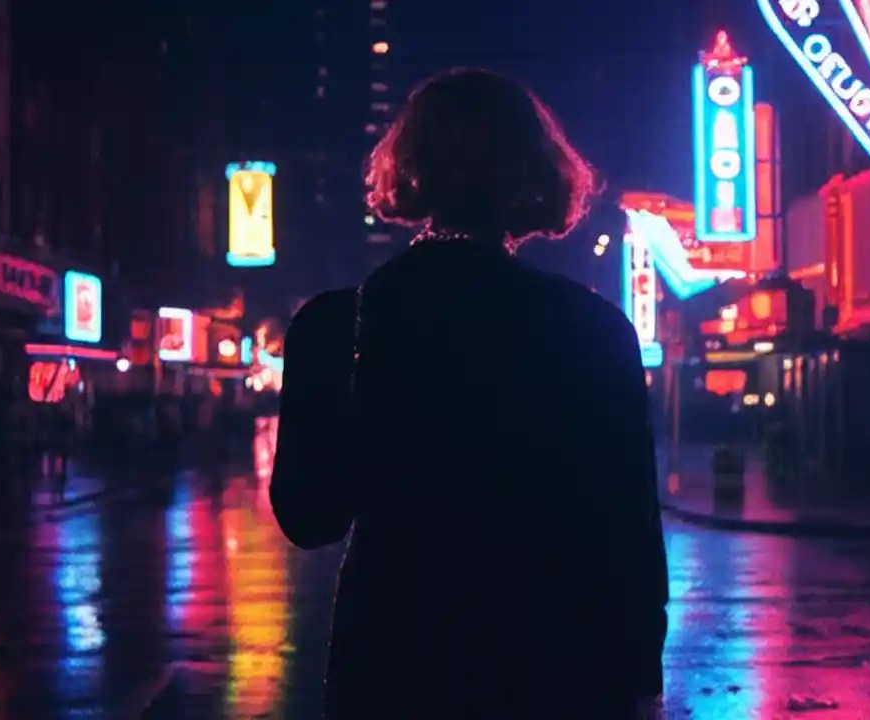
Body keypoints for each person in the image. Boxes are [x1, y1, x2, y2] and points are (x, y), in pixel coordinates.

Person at [271, 68, 668, 719]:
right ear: (536, 177)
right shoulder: (594, 329)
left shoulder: (336, 325)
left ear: (411, 170)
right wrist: (637, 679)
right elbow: (628, 534)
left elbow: (309, 517)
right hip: (551, 668)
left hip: (394, 667)